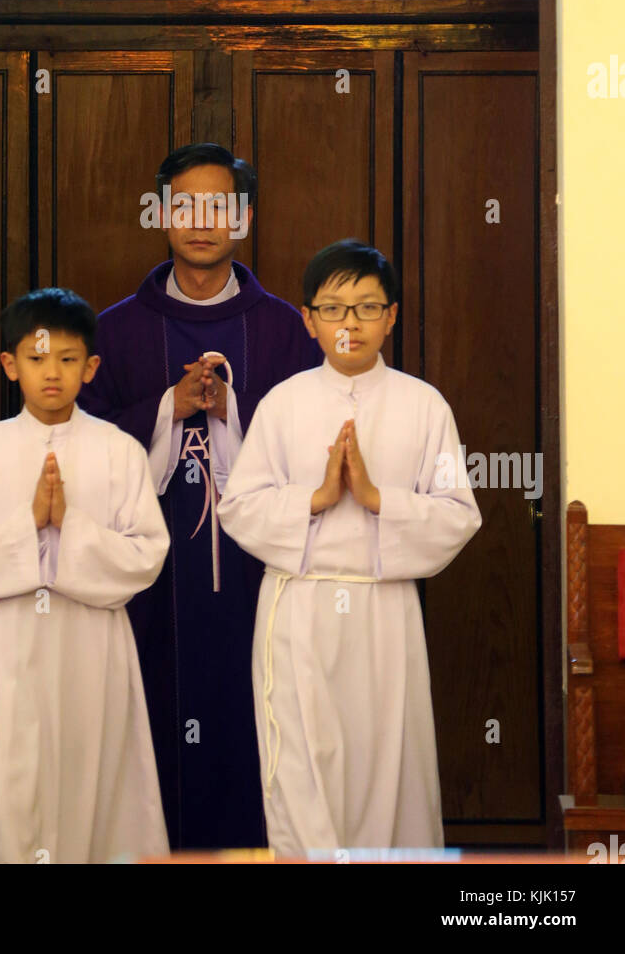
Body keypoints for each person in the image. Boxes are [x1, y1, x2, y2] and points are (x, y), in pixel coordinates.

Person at [76, 142, 322, 851]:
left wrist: (230, 417)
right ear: (161, 213)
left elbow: (313, 449)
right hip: (154, 588)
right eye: (186, 203)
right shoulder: (116, 330)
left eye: (221, 204)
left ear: (242, 217)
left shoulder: (285, 329)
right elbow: (82, 450)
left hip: (255, 579)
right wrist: (164, 408)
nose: (203, 219)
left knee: (256, 717)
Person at [217, 239, 482, 856]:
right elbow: (239, 507)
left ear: (392, 316)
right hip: (299, 612)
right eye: (334, 308)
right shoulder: (283, 404)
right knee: (303, 771)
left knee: (389, 768)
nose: (351, 323)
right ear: (308, 320)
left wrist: (375, 497)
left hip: (384, 611)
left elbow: (457, 514)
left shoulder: (425, 405)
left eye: (367, 307)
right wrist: (313, 498)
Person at [0, 287, 170, 864]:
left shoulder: (119, 451)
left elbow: (147, 554)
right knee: (13, 775)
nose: (51, 374)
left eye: (66, 358)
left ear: (91, 366)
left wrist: (71, 527)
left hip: (94, 643)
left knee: (98, 771)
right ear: (10, 365)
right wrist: (29, 525)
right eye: (36, 360)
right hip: (11, 641)